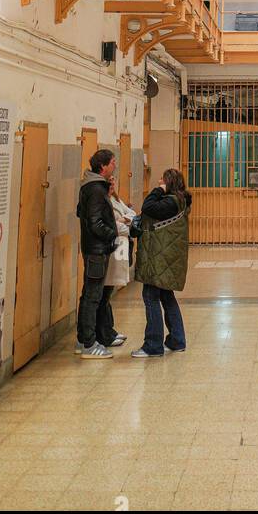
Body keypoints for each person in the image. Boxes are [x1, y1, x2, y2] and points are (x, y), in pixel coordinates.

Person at [131, 168, 192, 358]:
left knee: (150, 297)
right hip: (165, 256)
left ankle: (153, 345)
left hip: (159, 257)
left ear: (169, 183)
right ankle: (176, 340)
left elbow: (147, 207)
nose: (158, 181)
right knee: (166, 296)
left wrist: (159, 190)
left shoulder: (170, 201)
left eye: (162, 179)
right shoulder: (179, 200)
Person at [75, 148, 119, 359]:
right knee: (93, 296)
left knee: (91, 294)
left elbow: (80, 212)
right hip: (96, 250)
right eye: (112, 163)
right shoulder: (95, 190)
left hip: (93, 248)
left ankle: (85, 338)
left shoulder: (91, 187)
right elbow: (94, 222)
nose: (115, 166)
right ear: (102, 167)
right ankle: (89, 344)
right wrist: (112, 234)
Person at [101, 175, 136, 347]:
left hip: (120, 248)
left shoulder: (115, 199)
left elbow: (133, 215)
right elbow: (115, 227)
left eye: (115, 180)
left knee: (108, 291)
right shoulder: (102, 202)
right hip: (111, 249)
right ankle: (105, 332)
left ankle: (109, 330)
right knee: (104, 292)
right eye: (110, 180)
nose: (113, 183)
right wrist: (124, 223)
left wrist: (124, 221)